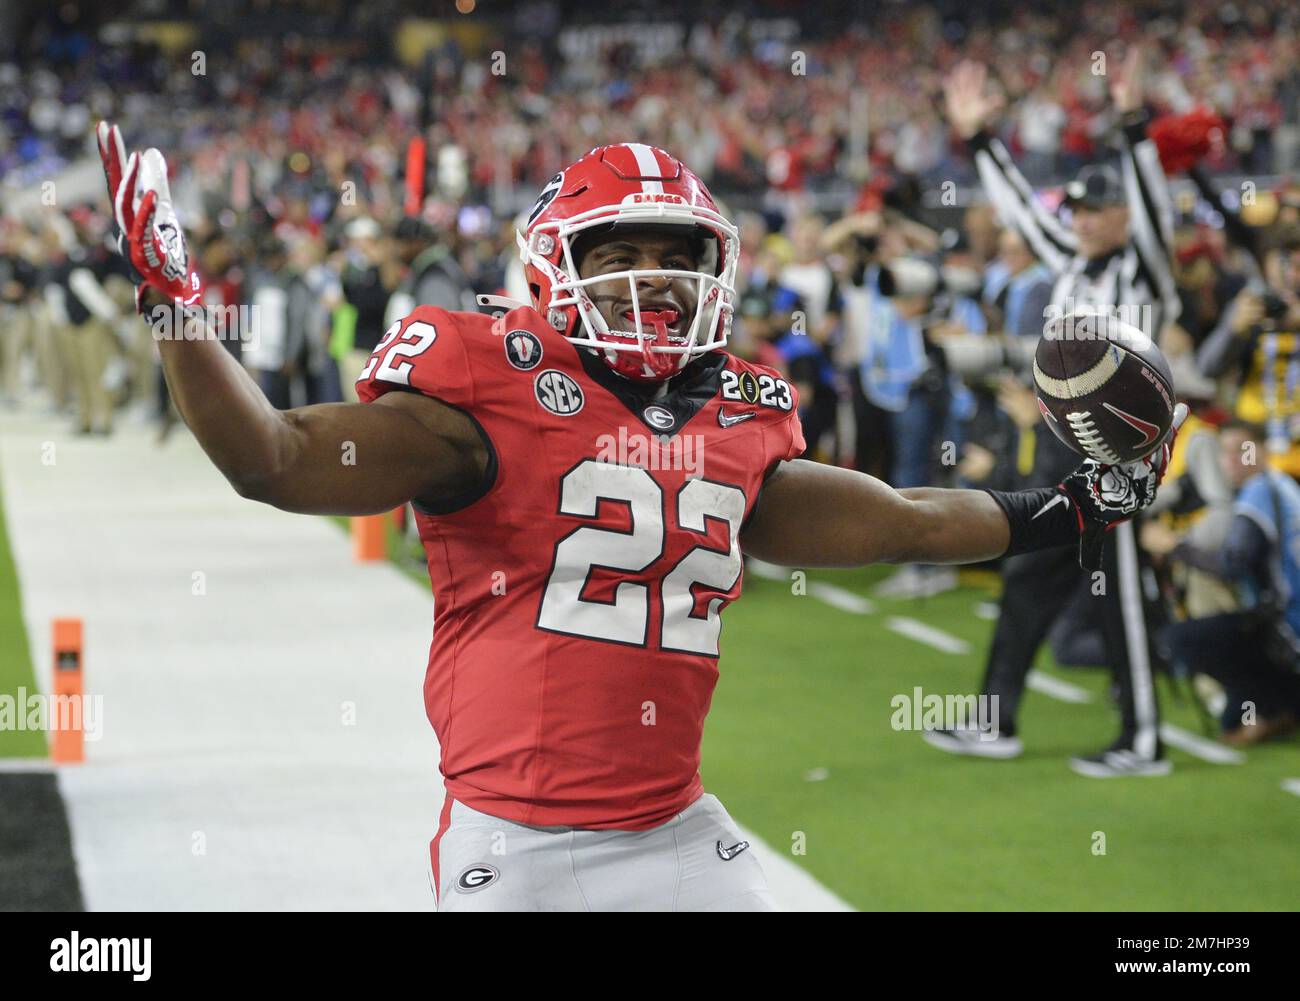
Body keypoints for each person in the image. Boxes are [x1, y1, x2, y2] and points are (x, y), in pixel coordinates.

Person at [98, 126, 1182, 911]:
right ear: (551, 267)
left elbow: (905, 519)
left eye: (675, 253)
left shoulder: (738, 412)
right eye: (617, 253)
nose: (652, 277)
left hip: (675, 831)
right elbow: (276, 459)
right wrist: (179, 309)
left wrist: (1083, 503)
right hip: (513, 844)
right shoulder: (483, 374)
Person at [935, 49, 1182, 776]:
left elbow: (1157, 208)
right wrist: (981, 141)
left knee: (1121, 599)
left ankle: (1142, 741)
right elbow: (1017, 205)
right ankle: (996, 718)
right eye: (1073, 207)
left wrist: (1135, 123)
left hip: (1124, 454)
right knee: (1028, 579)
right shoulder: (1069, 260)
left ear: (1121, 214)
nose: (1076, 219)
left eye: (1092, 209)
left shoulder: (1147, 265)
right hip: (1060, 449)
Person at [1145, 420, 1300, 744]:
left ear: (1264, 449)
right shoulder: (1282, 486)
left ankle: (1278, 706)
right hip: (1282, 623)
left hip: (1286, 631)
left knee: (1180, 640)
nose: (1230, 459)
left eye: (1240, 450)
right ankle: (1275, 704)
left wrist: (1173, 546)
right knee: (1231, 711)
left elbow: (1232, 565)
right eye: (1224, 452)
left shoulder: (1258, 492)